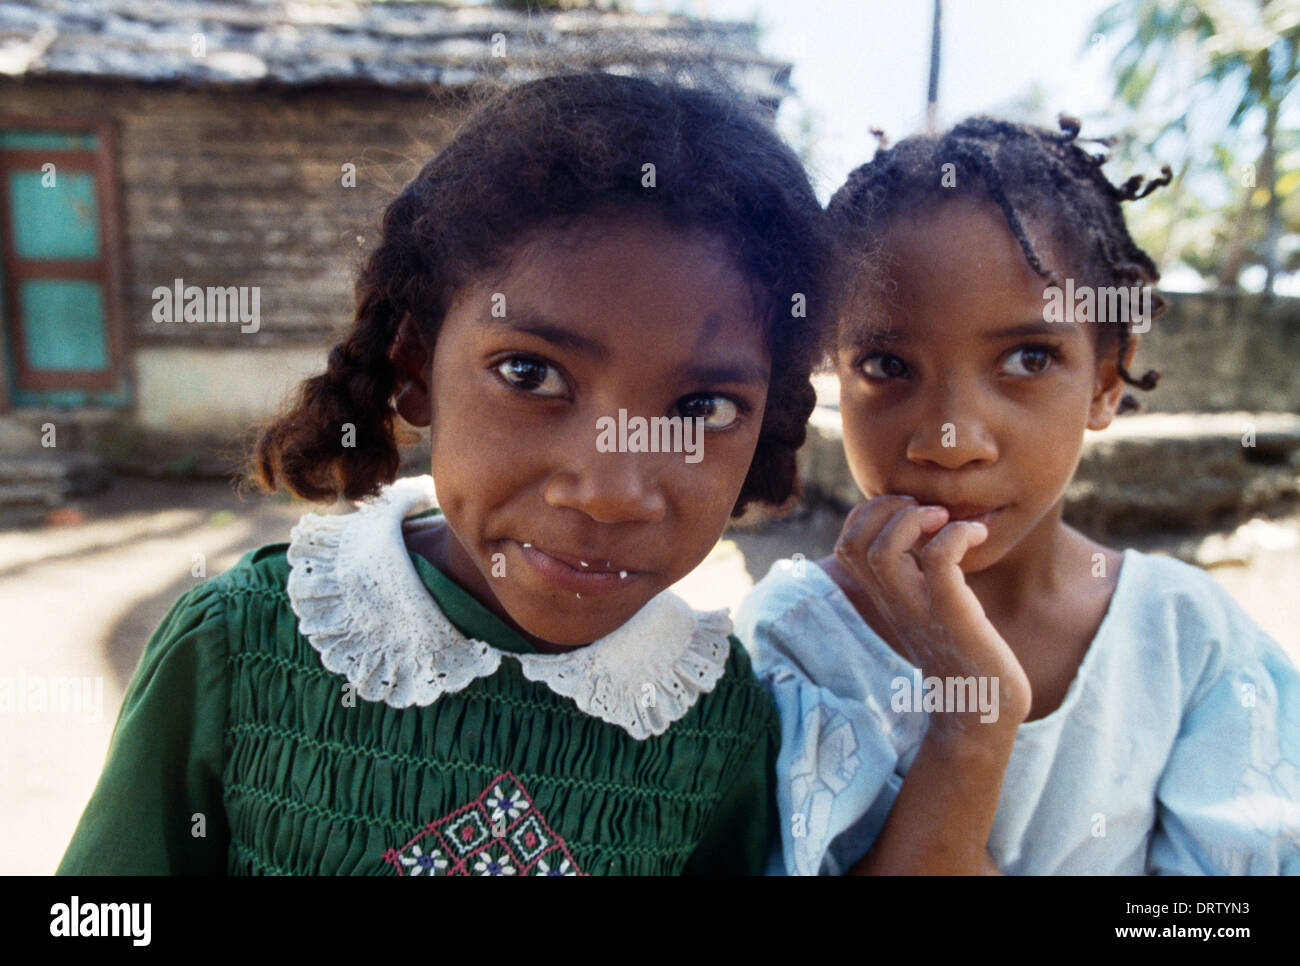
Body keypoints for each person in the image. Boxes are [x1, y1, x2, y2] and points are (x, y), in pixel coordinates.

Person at [57, 72, 827, 875]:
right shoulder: (241, 648)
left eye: (701, 409)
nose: (610, 489)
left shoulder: (716, 716)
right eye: (531, 374)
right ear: (417, 365)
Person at [737, 115, 1300, 875]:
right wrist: (971, 727)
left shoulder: (1186, 643)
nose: (952, 439)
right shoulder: (796, 646)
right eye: (886, 365)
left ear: (1105, 381)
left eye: (1028, 358)